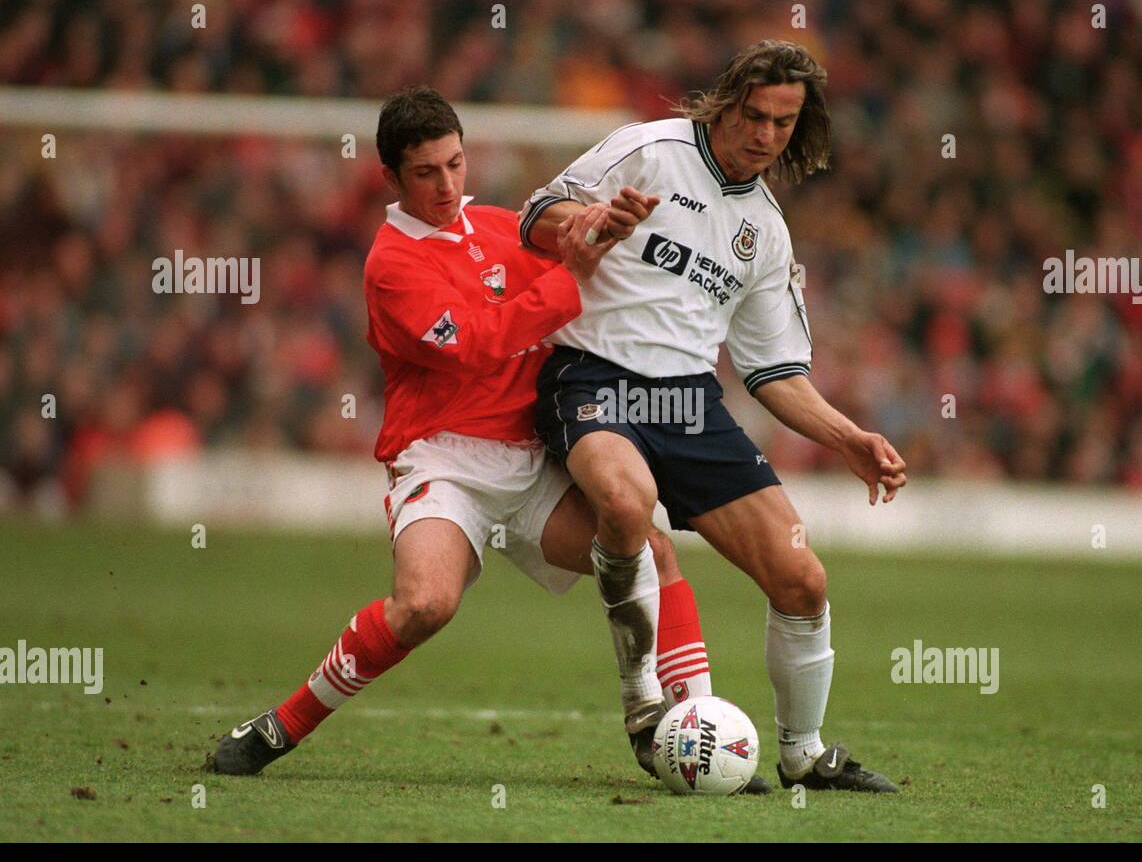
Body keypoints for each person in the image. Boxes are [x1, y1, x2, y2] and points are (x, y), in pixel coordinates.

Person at [210, 87, 771, 793]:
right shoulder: (391, 266)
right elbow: (478, 343)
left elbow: (582, 266)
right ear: (391, 177)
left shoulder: (502, 226)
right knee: (425, 606)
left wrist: (602, 229)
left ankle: (683, 731)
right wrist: (571, 271)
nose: (447, 185)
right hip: (446, 461)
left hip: (531, 460)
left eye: (455, 163)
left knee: (649, 543)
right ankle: (280, 727)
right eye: (426, 173)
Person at [520, 40, 908, 792]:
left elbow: (773, 373)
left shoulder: (765, 230)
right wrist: (589, 221)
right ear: (725, 104)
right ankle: (645, 709)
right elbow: (537, 214)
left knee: (802, 579)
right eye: (754, 116)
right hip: (592, 378)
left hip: (689, 402)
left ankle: (803, 754)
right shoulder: (649, 149)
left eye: (783, 123)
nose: (764, 135)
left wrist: (848, 437)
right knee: (627, 506)